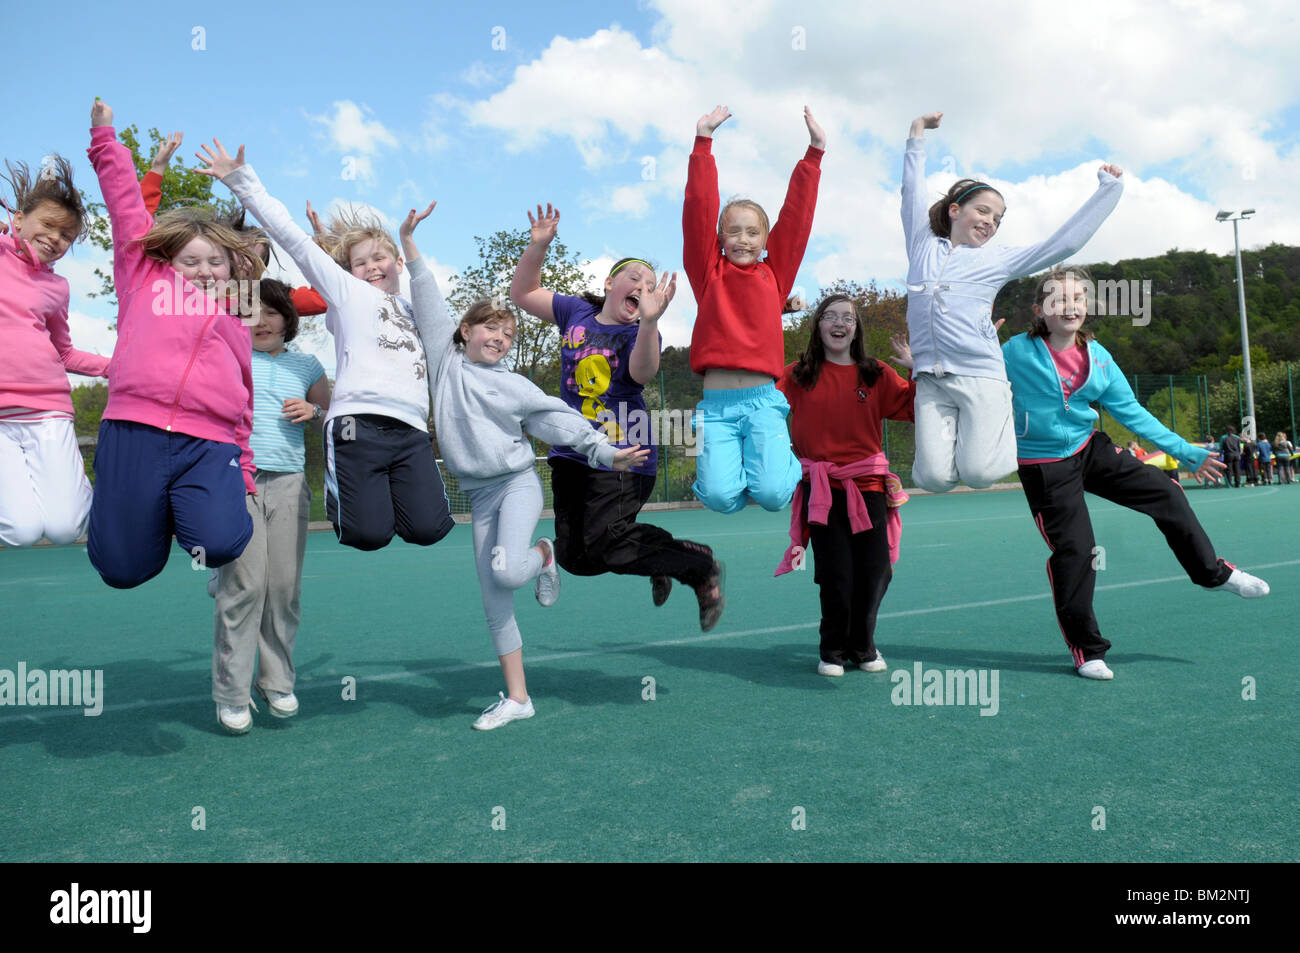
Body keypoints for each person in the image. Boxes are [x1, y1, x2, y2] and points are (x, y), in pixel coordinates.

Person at [402, 204, 648, 729]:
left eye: (508, 335)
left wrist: (606, 452)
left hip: (516, 486)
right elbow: (425, 302)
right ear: (464, 332)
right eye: (490, 329)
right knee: (494, 602)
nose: (500, 338)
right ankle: (518, 698)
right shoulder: (445, 366)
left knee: (507, 570)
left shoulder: (514, 385)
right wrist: (409, 244)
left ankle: (543, 553)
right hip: (479, 492)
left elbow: (559, 420)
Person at [1002, 267, 1269, 680]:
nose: (1069, 305)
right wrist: (924, 366)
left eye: (1077, 298)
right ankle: (1088, 650)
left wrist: (1186, 453)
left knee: (1167, 491)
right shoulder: (1015, 352)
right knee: (1077, 550)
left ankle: (1212, 574)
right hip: (1044, 465)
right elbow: (968, 379)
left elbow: (1132, 413)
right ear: (1040, 309)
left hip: (1088, 448)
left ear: (1086, 307)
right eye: (1057, 299)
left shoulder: (1100, 358)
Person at [198, 138, 455, 553]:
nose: (372, 267)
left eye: (379, 258)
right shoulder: (346, 295)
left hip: (409, 428)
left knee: (430, 529)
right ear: (347, 272)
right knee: (366, 535)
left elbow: (440, 329)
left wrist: (407, 242)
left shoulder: (413, 308)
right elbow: (293, 242)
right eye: (360, 262)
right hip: (359, 423)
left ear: (397, 262)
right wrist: (242, 182)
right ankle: (349, 503)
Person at [509, 203, 724, 630]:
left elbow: (642, 374)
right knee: (576, 559)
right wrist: (538, 246)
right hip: (572, 454)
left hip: (627, 451)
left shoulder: (640, 331)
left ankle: (697, 567)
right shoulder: (576, 312)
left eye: (650, 284)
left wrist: (649, 324)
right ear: (610, 283)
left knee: (609, 543)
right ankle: (657, 558)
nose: (643, 287)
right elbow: (523, 294)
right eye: (635, 278)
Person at [86, 100, 262, 588]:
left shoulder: (237, 312)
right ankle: (136, 513)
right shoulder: (142, 277)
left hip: (208, 441)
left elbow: (244, 394)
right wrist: (106, 139)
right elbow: (125, 207)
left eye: (217, 262)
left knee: (222, 543)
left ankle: (187, 503)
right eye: (191, 261)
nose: (206, 271)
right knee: (124, 571)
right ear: (168, 262)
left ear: (232, 269)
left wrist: (244, 469)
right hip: (134, 430)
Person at [901, 111, 1124, 493]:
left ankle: (1000, 418)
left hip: (981, 376)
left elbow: (1064, 243)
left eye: (998, 219)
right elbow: (912, 192)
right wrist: (916, 135)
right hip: (931, 380)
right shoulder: (922, 244)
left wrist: (1108, 191)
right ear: (955, 211)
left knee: (981, 474)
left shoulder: (996, 259)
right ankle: (964, 442)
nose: (990, 221)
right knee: (932, 479)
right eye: (983, 210)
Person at [683, 105, 825, 514]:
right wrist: (703, 142)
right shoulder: (707, 273)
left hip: (763, 401)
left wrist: (813, 154)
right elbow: (697, 211)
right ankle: (743, 471)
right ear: (720, 239)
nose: (742, 239)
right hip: (716, 407)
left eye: (752, 232)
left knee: (774, 495)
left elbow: (797, 219)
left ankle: (778, 468)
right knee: (719, 497)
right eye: (733, 231)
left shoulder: (774, 273)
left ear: (765, 241)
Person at [212, 279, 330, 734]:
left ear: (288, 319)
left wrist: (315, 411)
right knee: (245, 587)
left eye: (272, 312)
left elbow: (336, 410)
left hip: (289, 482)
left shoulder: (307, 365)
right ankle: (231, 692)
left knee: (282, 586)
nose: (261, 321)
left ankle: (277, 680)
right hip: (235, 480)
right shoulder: (227, 355)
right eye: (250, 312)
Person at [775, 295, 914, 676]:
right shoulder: (797, 374)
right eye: (830, 316)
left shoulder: (877, 373)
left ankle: (862, 646)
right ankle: (833, 650)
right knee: (835, 573)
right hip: (820, 489)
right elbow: (761, 400)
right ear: (818, 326)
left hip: (867, 485)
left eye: (848, 318)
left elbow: (915, 407)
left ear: (856, 328)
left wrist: (918, 371)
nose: (839, 323)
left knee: (876, 570)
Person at [1, 153, 110, 548]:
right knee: (22, 531)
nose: (55, 238)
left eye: (66, 235)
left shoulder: (57, 287)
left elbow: (64, 353)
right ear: (18, 219)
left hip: (48, 412)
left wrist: (119, 367)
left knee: (65, 529)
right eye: (48, 225)